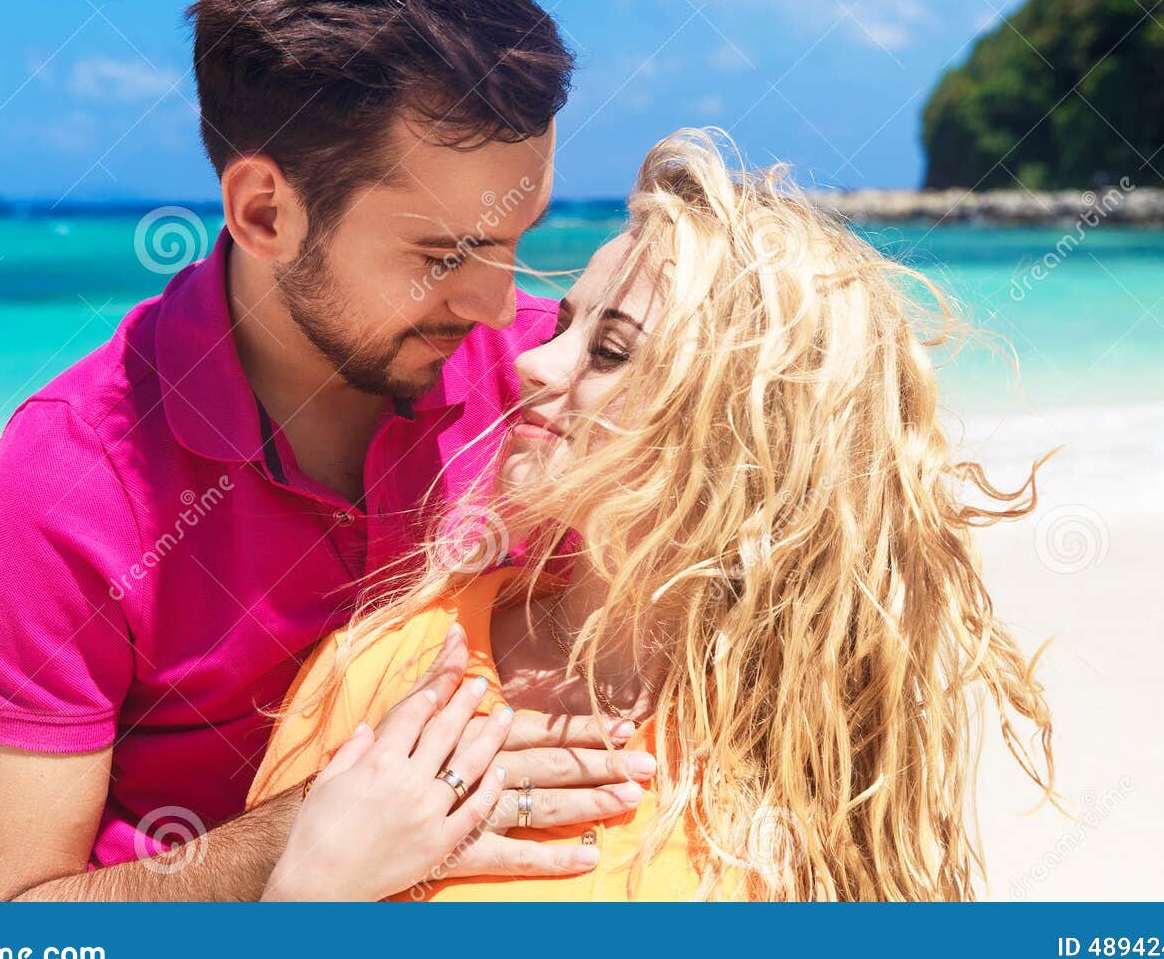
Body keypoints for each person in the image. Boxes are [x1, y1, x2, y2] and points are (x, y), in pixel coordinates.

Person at [0, 0, 643, 901]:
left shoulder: (553, 379)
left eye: (519, 233)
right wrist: (311, 828)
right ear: (265, 211)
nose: (503, 306)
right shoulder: (76, 477)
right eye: (442, 254)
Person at [250, 129, 1059, 901]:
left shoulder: (812, 739)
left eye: (609, 351)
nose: (531, 360)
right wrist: (307, 890)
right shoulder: (391, 667)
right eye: (566, 322)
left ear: (745, 430)